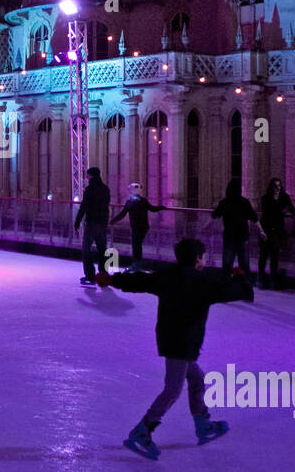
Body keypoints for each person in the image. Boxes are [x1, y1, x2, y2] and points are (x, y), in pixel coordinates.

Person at [97, 238, 253, 457]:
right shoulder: (203, 282)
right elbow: (233, 291)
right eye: (203, 256)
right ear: (198, 258)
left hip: (171, 339)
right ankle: (143, 430)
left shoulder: (168, 276)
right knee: (172, 389)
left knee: (196, 378)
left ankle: (203, 425)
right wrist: (240, 278)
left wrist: (112, 279)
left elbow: (140, 281)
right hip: (183, 343)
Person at [111, 182, 166, 272]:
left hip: (136, 227)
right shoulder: (143, 201)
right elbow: (152, 209)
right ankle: (137, 265)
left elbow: (122, 214)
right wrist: (162, 207)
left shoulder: (130, 202)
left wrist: (112, 221)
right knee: (138, 246)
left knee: (136, 246)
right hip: (144, 227)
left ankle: (135, 265)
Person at [212, 179, 259, 278]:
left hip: (229, 237)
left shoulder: (224, 202)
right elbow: (254, 218)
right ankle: (245, 284)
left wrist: (205, 225)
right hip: (242, 237)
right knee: (244, 264)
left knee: (227, 265)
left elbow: (215, 215)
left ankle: (226, 285)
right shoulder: (245, 202)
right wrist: (262, 230)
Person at [74, 166, 111, 286]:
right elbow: (106, 206)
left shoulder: (90, 189)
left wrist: (77, 221)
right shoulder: (105, 189)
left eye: (88, 175)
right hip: (102, 223)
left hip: (92, 223)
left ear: (91, 175)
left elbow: (84, 206)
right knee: (102, 250)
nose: (86, 177)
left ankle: (90, 275)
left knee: (86, 250)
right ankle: (103, 275)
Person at [258, 178, 295, 289]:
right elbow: (267, 212)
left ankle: (273, 280)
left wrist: (284, 210)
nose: (278, 188)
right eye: (275, 186)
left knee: (274, 256)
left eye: (279, 186)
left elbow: (292, 209)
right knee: (264, 255)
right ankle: (262, 279)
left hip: (277, 230)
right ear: (271, 187)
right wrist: (281, 210)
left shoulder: (284, 197)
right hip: (266, 229)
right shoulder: (265, 198)